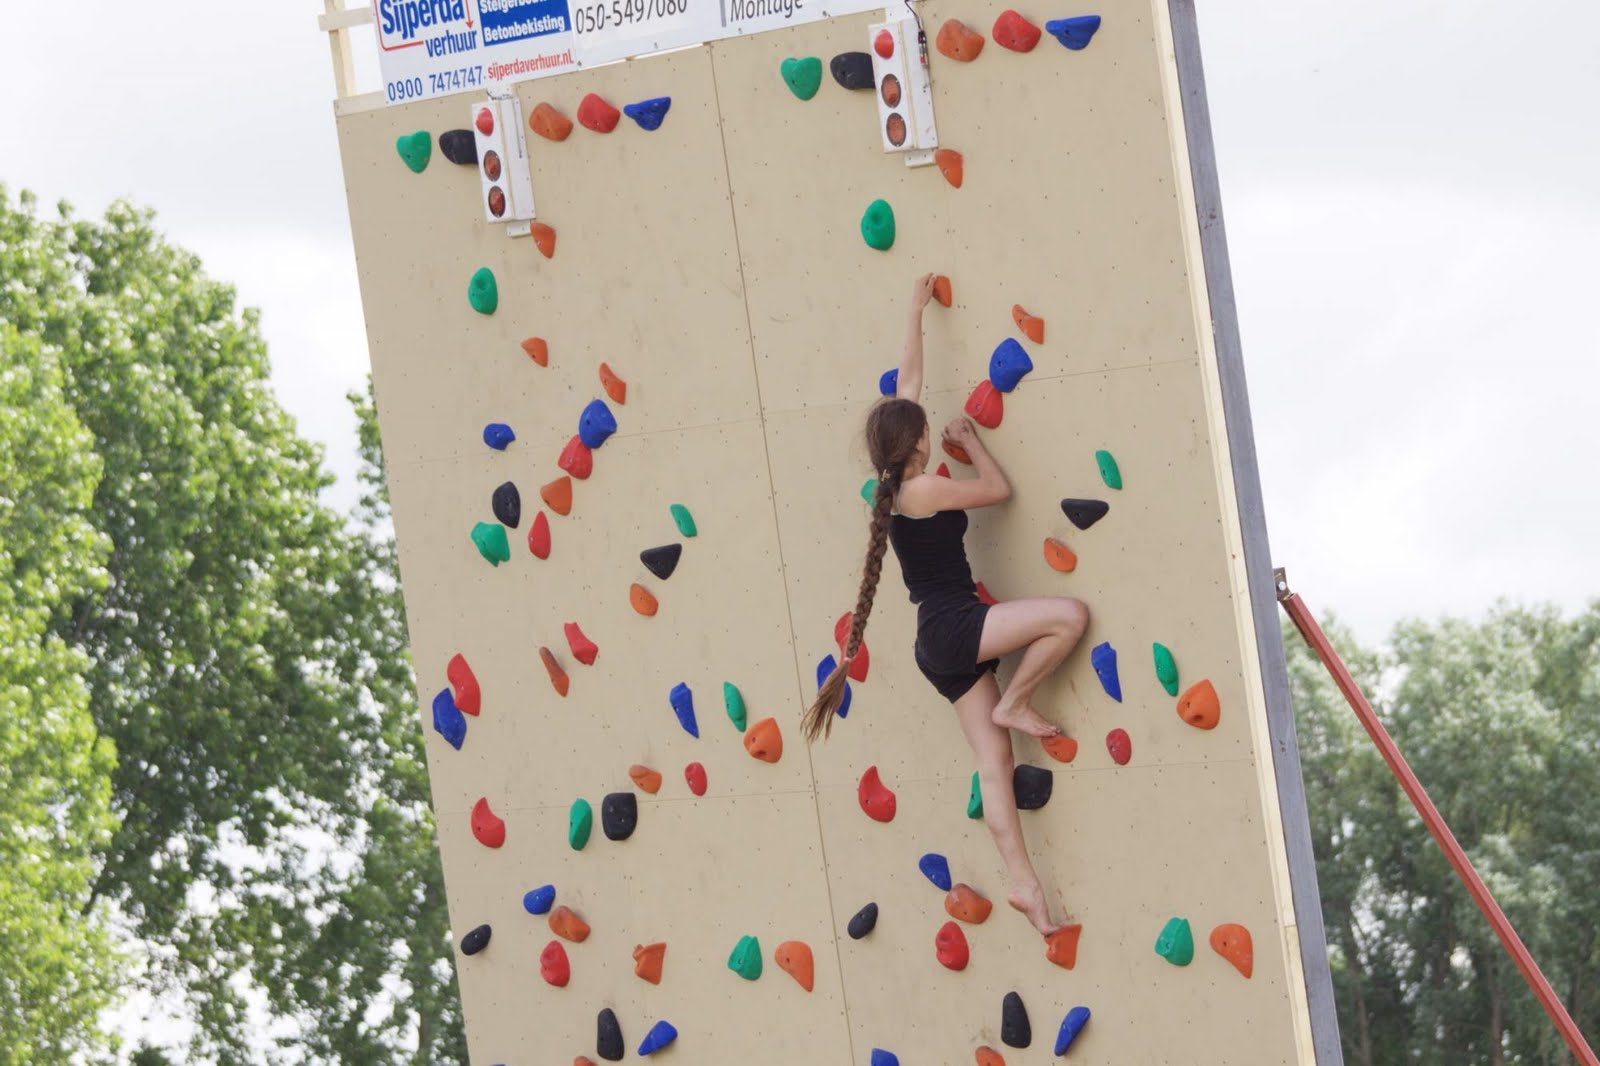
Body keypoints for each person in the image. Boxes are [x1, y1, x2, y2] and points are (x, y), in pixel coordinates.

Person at [802, 273, 1090, 937]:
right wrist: (972, 443)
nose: (930, 426)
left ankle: (1026, 890)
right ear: (921, 445)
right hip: (954, 626)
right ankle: (1016, 699)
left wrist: (913, 305)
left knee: (995, 766)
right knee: (1068, 618)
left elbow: (907, 378)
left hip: (937, 644)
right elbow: (996, 492)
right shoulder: (926, 489)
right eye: (929, 430)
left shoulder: (891, 480)